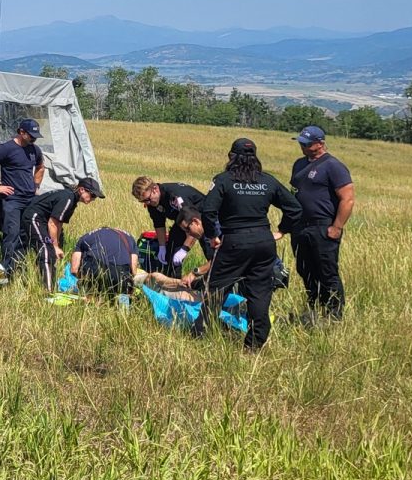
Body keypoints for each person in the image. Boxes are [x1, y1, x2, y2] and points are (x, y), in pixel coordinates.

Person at [196, 138, 302, 350]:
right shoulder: (267, 181)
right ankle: (254, 343)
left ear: (231, 157)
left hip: (234, 241)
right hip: (264, 242)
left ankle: (200, 334)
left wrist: (212, 235)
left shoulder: (223, 180)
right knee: (260, 293)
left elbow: (208, 210)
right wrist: (281, 230)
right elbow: (295, 208)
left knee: (217, 289)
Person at [289, 125, 355, 322]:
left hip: (323, 226)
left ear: (320, 144)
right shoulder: (299, 164)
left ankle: (334, 314)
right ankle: (313, 308)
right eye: (301, 143)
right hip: (300, 226)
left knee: (326, 271)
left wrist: (337, 227)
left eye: (307, 144)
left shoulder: (333, 166)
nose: (303, 147)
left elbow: (347, 199)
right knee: (304, 269)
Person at [0, 118, 45, 283]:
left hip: (30, 200)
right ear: (21, 132)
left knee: (25, 236)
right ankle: (3, 276)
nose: (34, 139)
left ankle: (19, 270)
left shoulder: (35, 150)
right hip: (13, 200)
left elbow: (40, 167)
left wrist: (36, 185)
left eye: (36, 136)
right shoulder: (6, 148)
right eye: (31, 135)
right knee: (12, 235)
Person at [21, 175, 105, 289]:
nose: (93, 199)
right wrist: (55, 246)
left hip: (43, 220)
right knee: (46, 250)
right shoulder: (68, 198)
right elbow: (53, 223)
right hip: (34, 218)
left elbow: (59, 223)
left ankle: (50, 284)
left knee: (50, 252)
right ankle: (48, 289)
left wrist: (57, 244)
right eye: (92, 195)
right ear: (81, 190)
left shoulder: (72, 200)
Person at [130, 176, 220, 275]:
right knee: (171, 252)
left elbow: (194, 224)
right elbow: (159, 224)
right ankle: (175, 281)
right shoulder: (152, 203)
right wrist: (162, 247)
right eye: (143, 201)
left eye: (147, 199)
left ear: (155, 189)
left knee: (213, 255)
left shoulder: (175, 196)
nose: (147, 203)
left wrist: (185, 249)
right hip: (182, 223)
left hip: (203, 219)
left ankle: (217, 280)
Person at [68, 225, 141, 295]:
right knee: (123, 295)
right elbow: (134, 271)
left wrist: (83, 280)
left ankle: (89, 297)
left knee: (90, 294)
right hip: (120, 275)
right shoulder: (130, 238)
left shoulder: (85, 237)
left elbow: (74, 269)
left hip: (94, 270)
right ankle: (123, 301)